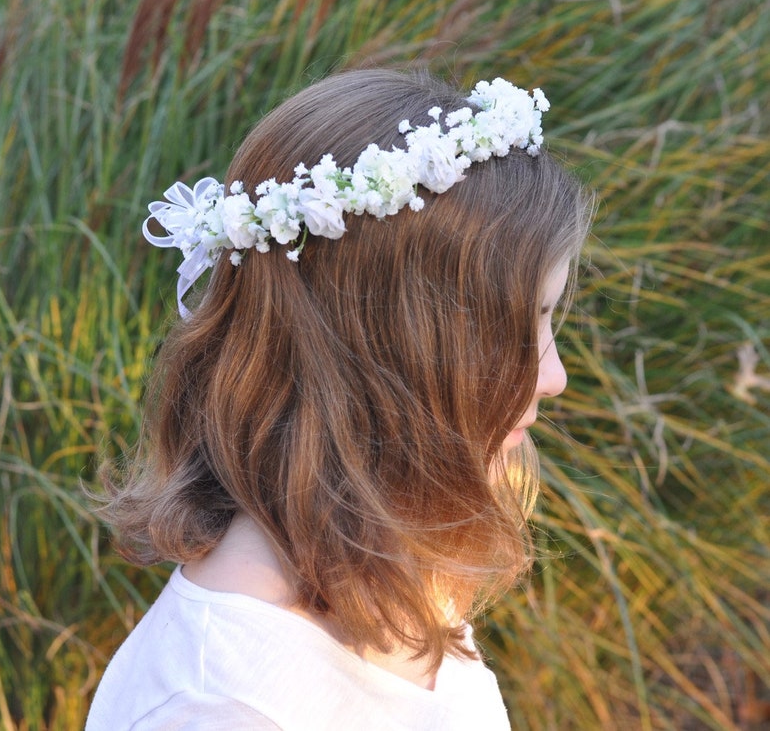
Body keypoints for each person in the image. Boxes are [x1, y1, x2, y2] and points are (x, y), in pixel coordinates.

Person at [86, 68, 592, 730]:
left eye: (546, 321)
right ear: (384, 351)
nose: (553, 376)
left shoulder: (391, 564)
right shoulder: (225, 705)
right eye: (515, 332)